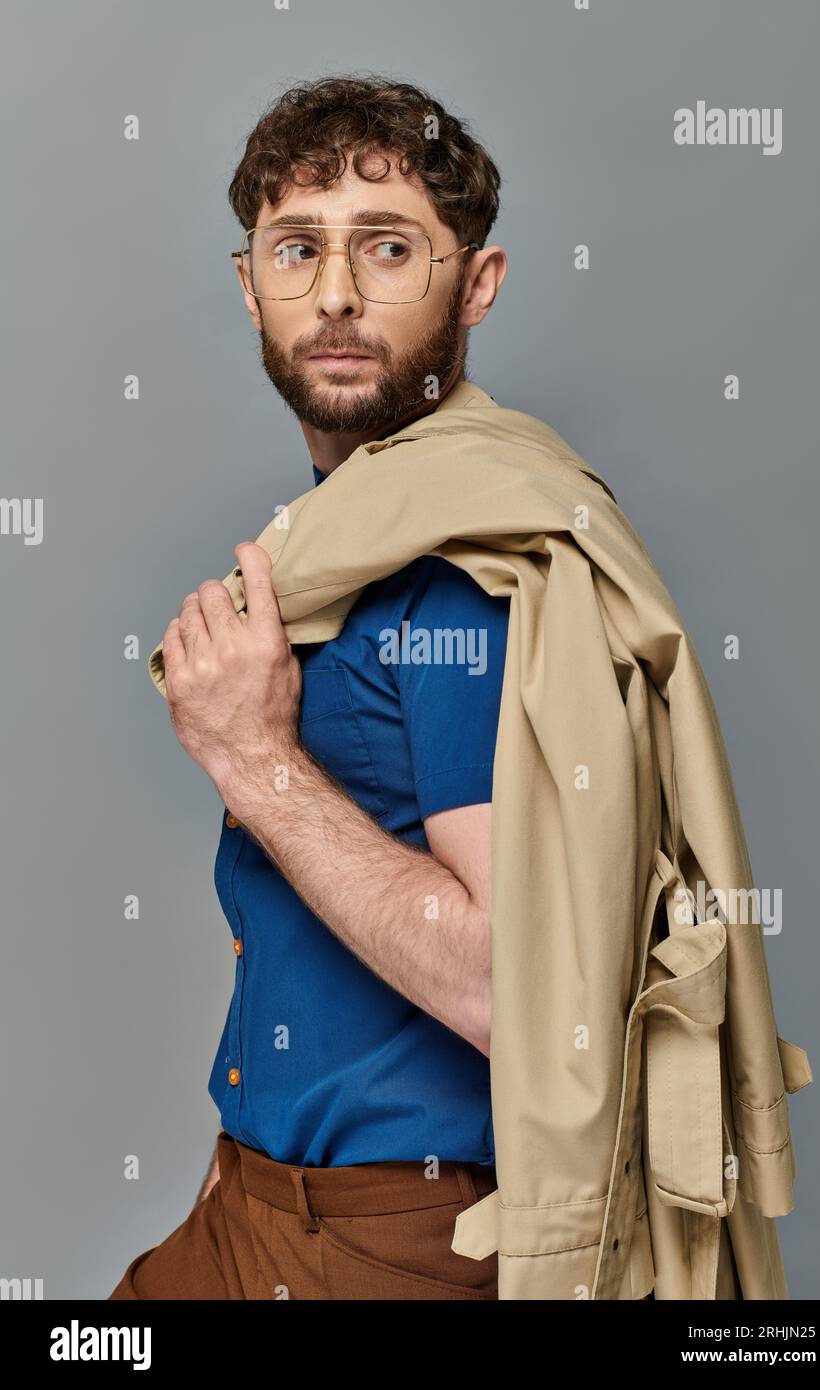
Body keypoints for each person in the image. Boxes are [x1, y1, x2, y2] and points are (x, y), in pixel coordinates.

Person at [109, 73, 513, 1300]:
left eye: (388, 248)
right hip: (254, 1205)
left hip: (397, 1242)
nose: (335, 294)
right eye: (298, 250)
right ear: (251, 288)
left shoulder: (463, 581)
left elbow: (517, 988)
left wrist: (251, 756)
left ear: (475, 285)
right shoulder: (334, 550)